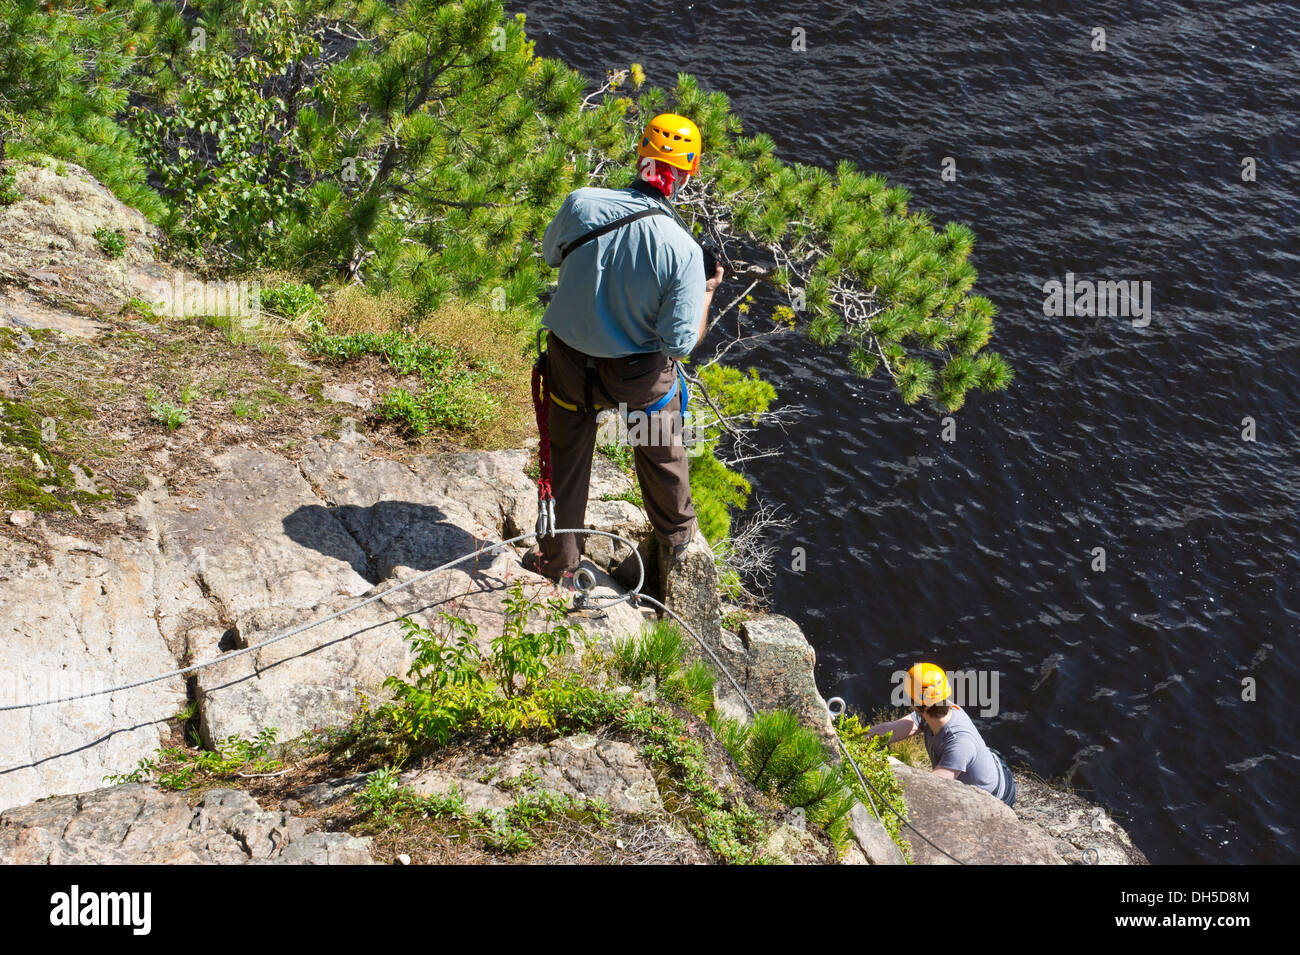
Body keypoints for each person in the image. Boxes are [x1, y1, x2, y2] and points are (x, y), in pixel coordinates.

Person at [526, 113, 725, 582]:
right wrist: (708, 291)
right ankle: (677, 551)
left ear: (641, 155)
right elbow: (679, 343)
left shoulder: (581, 204)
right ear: (683, 177)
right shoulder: (683, 250)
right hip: (637, 378)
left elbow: (550, 255)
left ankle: (559, 565)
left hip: (569, 362)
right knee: (659, 449)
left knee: (567, 456)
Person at [865, 662, 1017, 807]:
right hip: (991, 768)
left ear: (915, 705)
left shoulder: (959, 743)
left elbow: (931, 788)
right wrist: (862, 737)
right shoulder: (935, 709)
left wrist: (892, 764)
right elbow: (894, 728)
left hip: (997, 797)